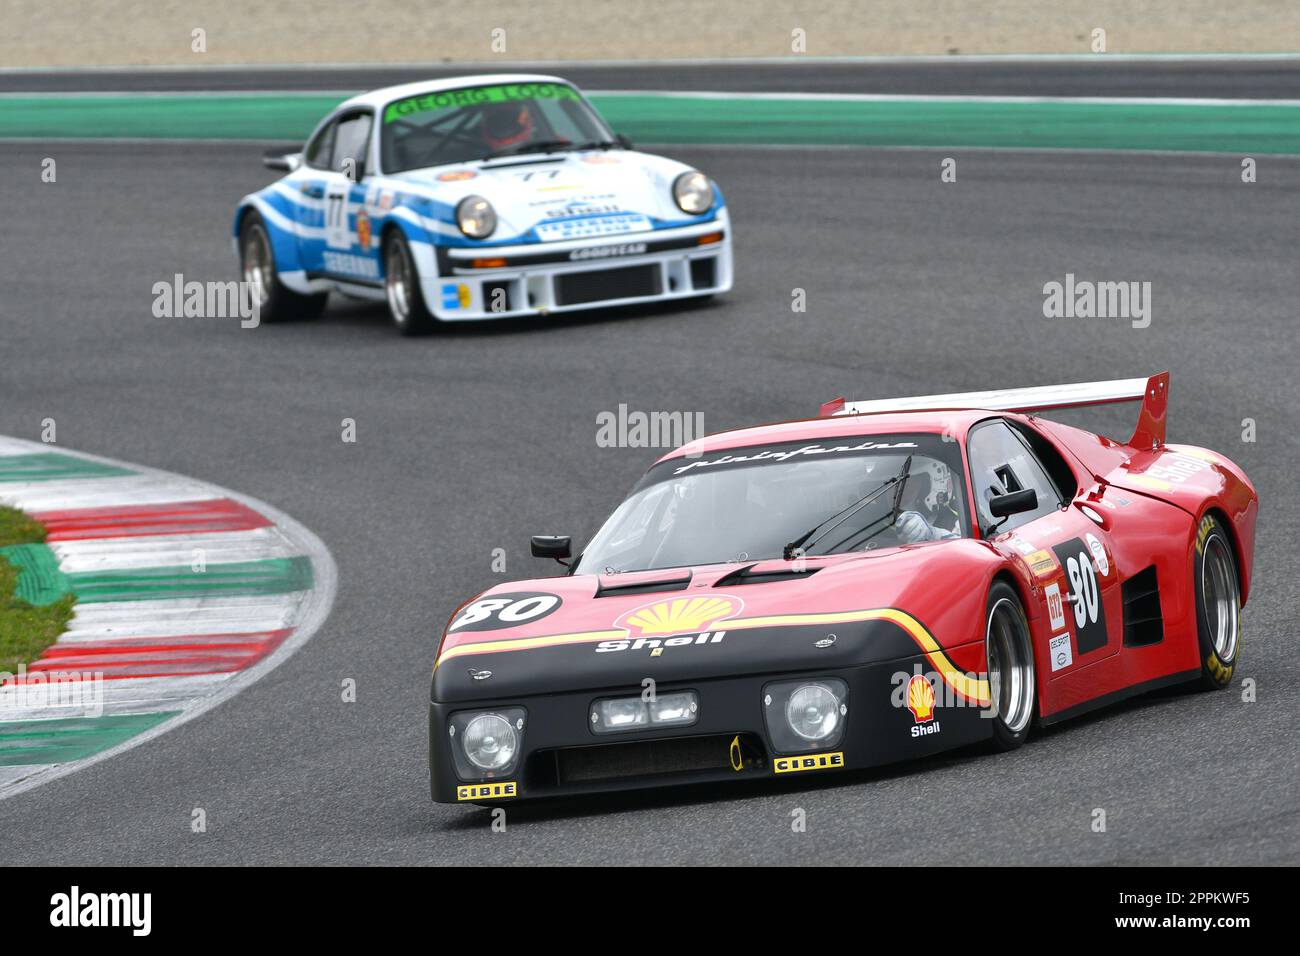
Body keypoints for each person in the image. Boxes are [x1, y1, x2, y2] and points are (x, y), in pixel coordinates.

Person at [894, 470, 958, 543]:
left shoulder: (952, 520)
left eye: (909, 479)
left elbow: (964, 545)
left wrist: (932, 534)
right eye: (895, 482)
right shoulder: (879, 526)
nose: (902, 487)